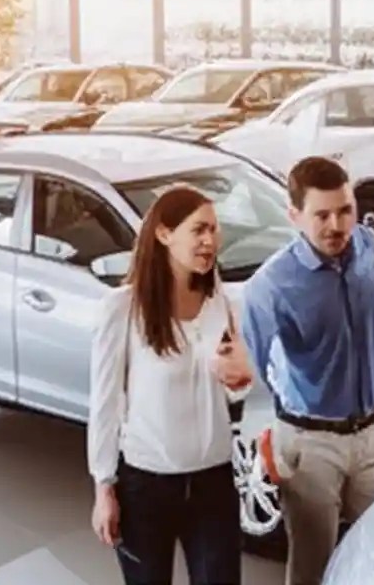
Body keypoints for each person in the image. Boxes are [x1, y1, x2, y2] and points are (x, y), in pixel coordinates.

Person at [241, 156, 374, 585]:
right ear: (294, 216)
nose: (337, 225)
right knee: (313, 566)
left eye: (345, 210)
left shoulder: (369, 250)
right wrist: (269, 445)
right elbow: (250, 372)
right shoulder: (271, 286)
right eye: (322, 215)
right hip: (310, 445)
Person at [88, 184, 253, 585]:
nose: (210, 240)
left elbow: (234, 391)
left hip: (213, 481)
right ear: (164, 234)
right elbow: (105, 403)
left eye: (214, 230)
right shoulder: (123, 309)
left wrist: (239, 380)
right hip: (145, 486)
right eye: (198, 230)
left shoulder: (225, 305)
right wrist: (103, 488)